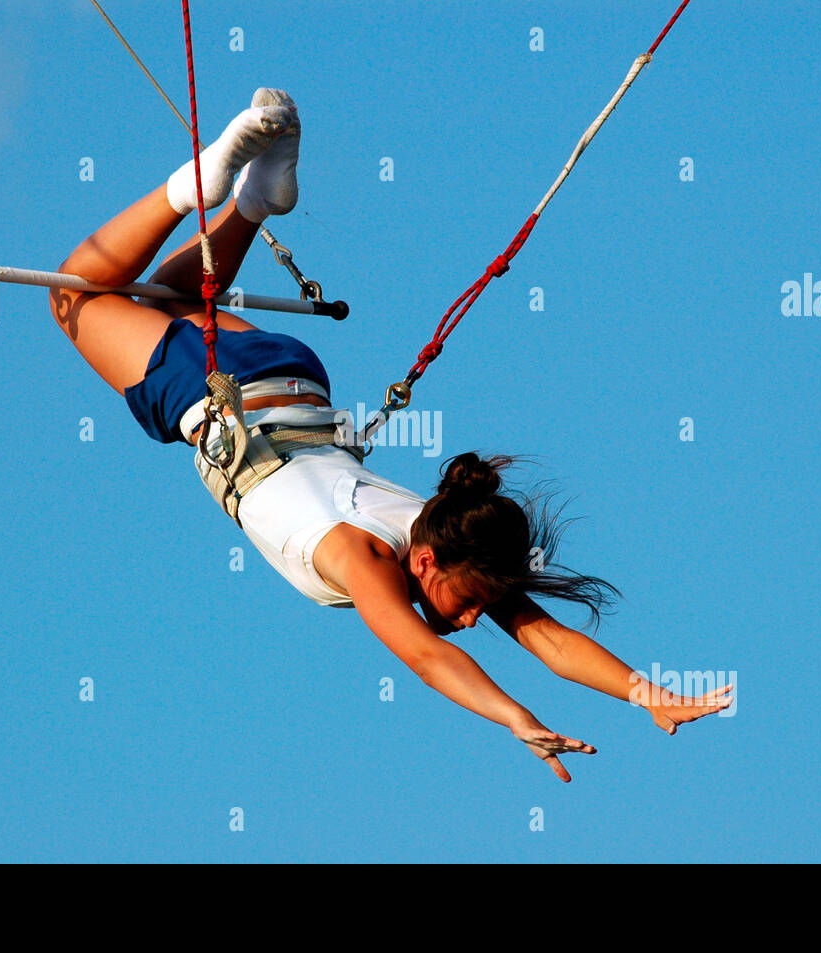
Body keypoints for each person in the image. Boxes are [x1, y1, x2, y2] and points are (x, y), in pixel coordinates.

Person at [49, 89, 732, 781]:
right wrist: (515, 717)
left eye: (479, 608)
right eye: (469, 603)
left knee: (156, 300)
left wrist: (650, 695)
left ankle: (253, 202)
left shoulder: (443, 526)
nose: (471, 620)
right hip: (231, 397)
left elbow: (549, 640)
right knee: (73, 297)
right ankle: (195, 189)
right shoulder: (367, 557)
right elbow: (426, 656)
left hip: (291, 377)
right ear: (427, 564)